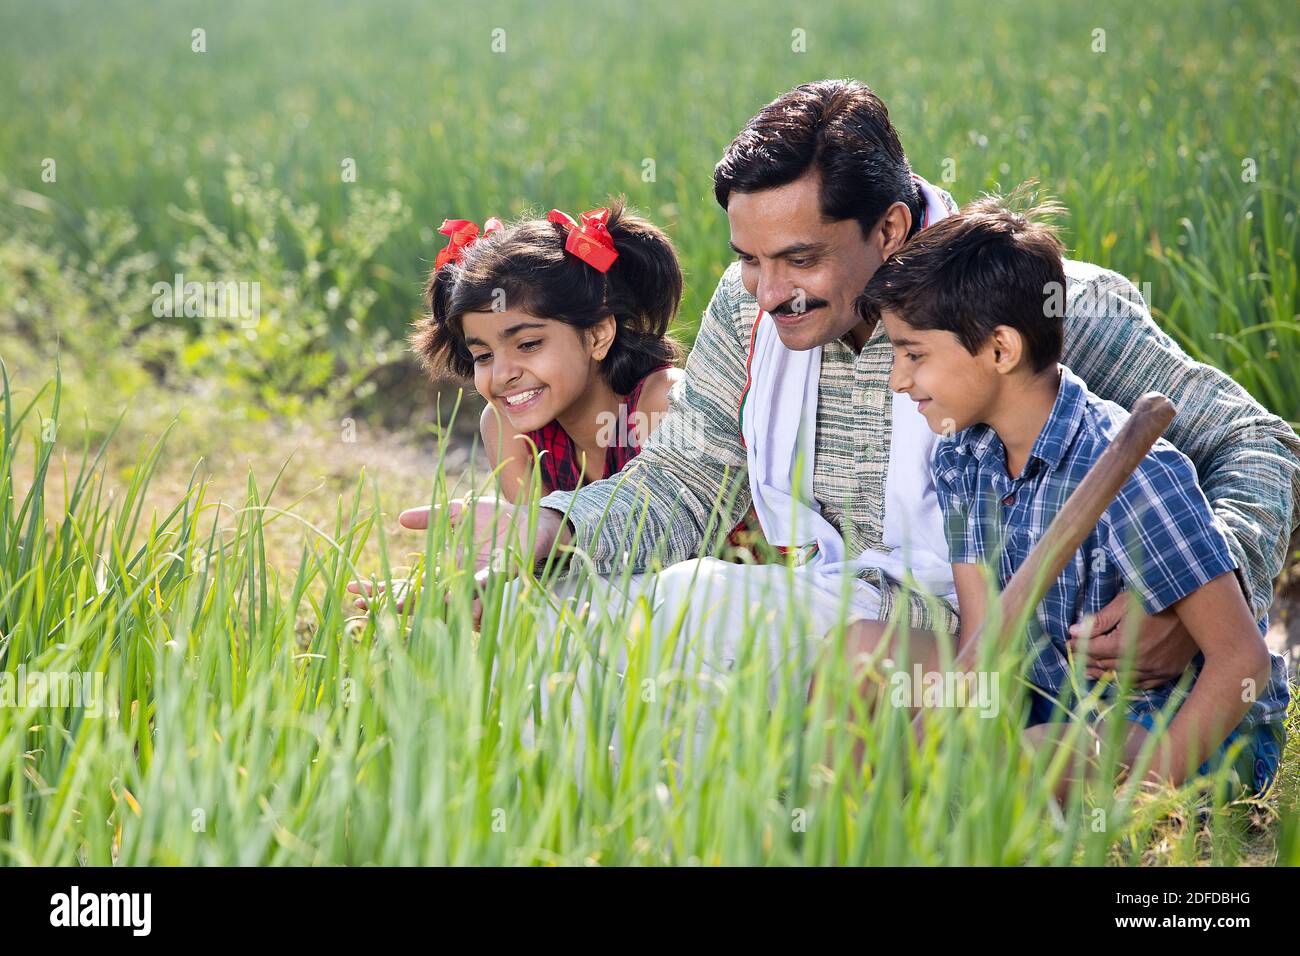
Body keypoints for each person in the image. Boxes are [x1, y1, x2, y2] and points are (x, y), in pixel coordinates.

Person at [388, 79, 1300, 713]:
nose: (765, 288)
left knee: (695, 607)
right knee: (517, 619)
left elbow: (1257, 444)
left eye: (801, 258)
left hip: (993, 639)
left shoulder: (1040, 304)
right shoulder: (747, 314)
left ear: (891, 226)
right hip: (833, 612)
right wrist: (558, 527)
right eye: (747, 258)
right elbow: (686, 484)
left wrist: (1193, 603)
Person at [843, 193, 1289, 796]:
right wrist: (946, 728)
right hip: (1049, 696)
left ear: (1000, 349)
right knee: (860, 652)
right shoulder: (960, 455)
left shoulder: (1137, 473)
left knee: (1043, 754)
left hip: (1176, 726)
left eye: (913, 354)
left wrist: (1153, 784)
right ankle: (839, 826)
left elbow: (1242, 662)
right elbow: (986, 646)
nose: (898, 379)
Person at [410, 200, 684, 503]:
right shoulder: (506, 429)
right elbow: (541, 545)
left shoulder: (662, 404)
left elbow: (676, 537)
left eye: (528, 345)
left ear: (597, 335)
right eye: (484, 356)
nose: (503, 375)